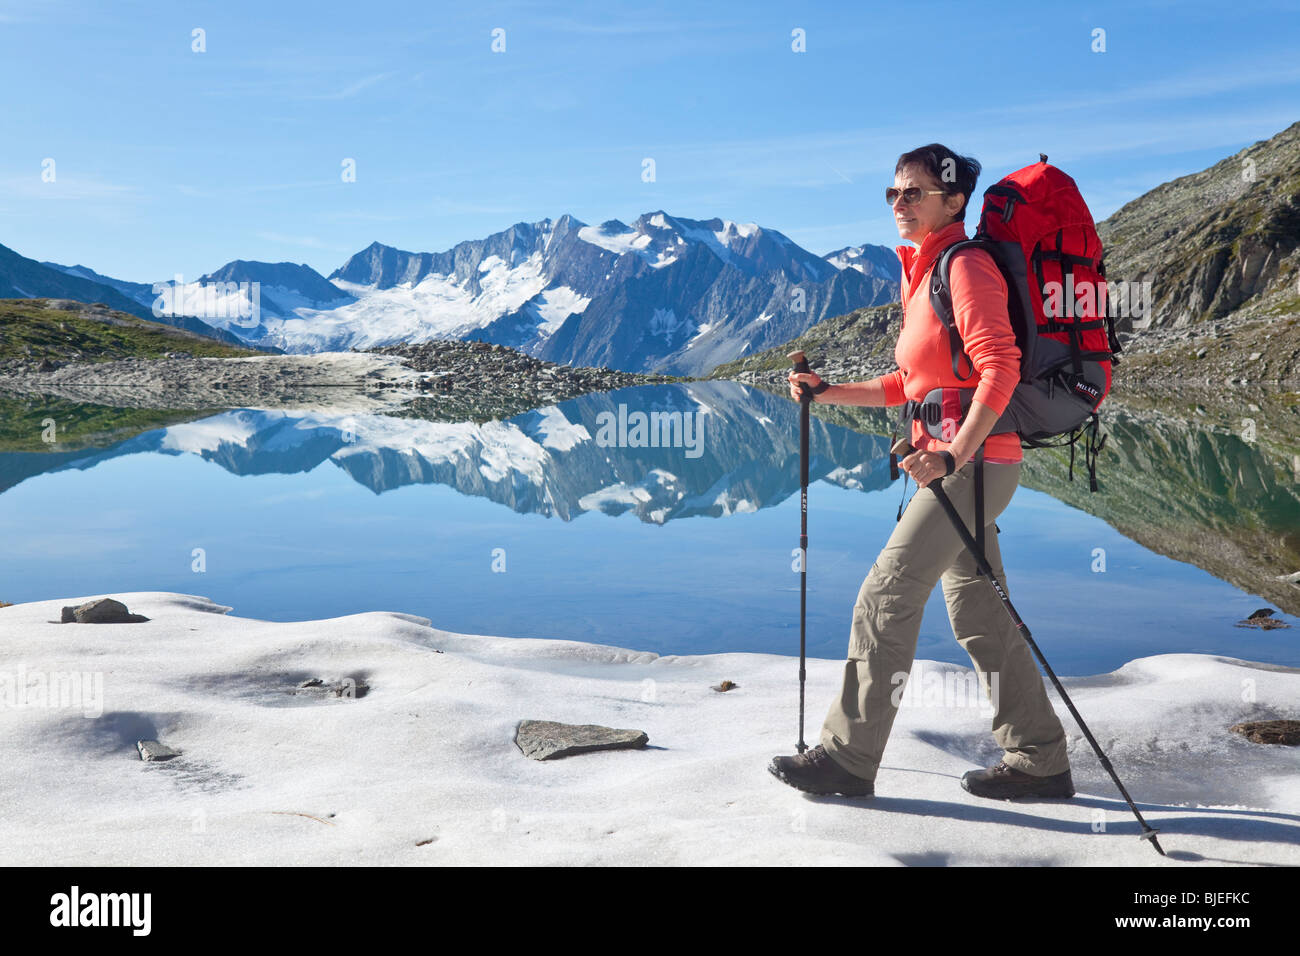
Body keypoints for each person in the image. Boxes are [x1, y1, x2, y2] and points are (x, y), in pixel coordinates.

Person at [770, 143, 1073, 800]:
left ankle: (848, 759)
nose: (899, 203)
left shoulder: (965, 268)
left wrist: (953, 454)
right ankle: (1041, 762)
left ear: (954, 200)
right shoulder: (925, 273)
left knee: (887, 594)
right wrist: (828, 392)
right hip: (962, 469)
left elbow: (1002, 369)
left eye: (913, 192)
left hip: (973, 467)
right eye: (892, 193)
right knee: (979, 613)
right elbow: (907, 385)